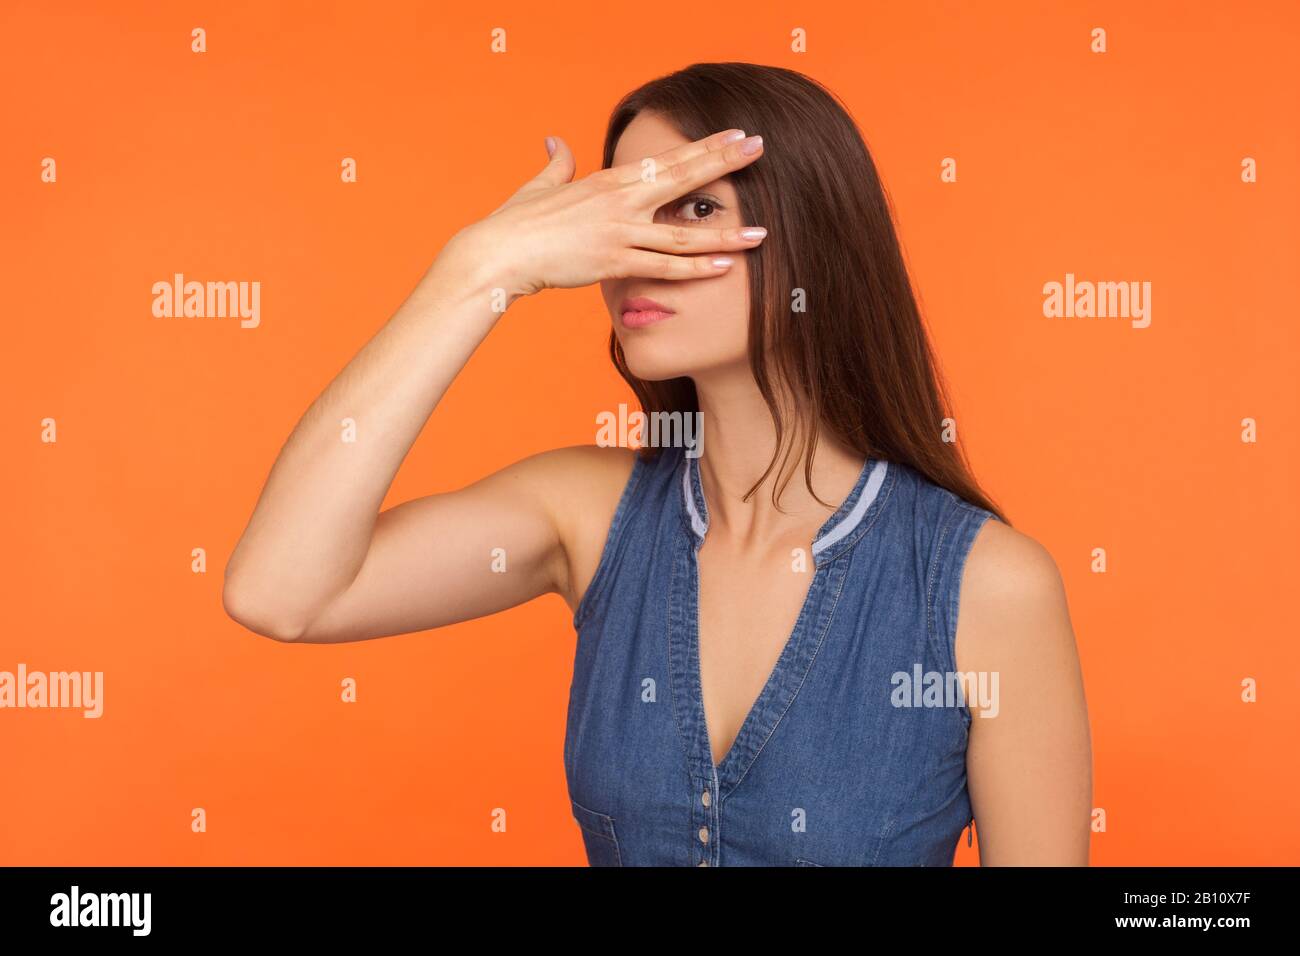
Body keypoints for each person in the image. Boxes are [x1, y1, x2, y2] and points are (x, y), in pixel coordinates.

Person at [223, 62, 1092, 866]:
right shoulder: (587, 515)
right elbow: (280, 592)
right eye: (622, 212)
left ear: (812, 237)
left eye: (695, 206)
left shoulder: (985, 585)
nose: (635, 252)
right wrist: (480, 268)